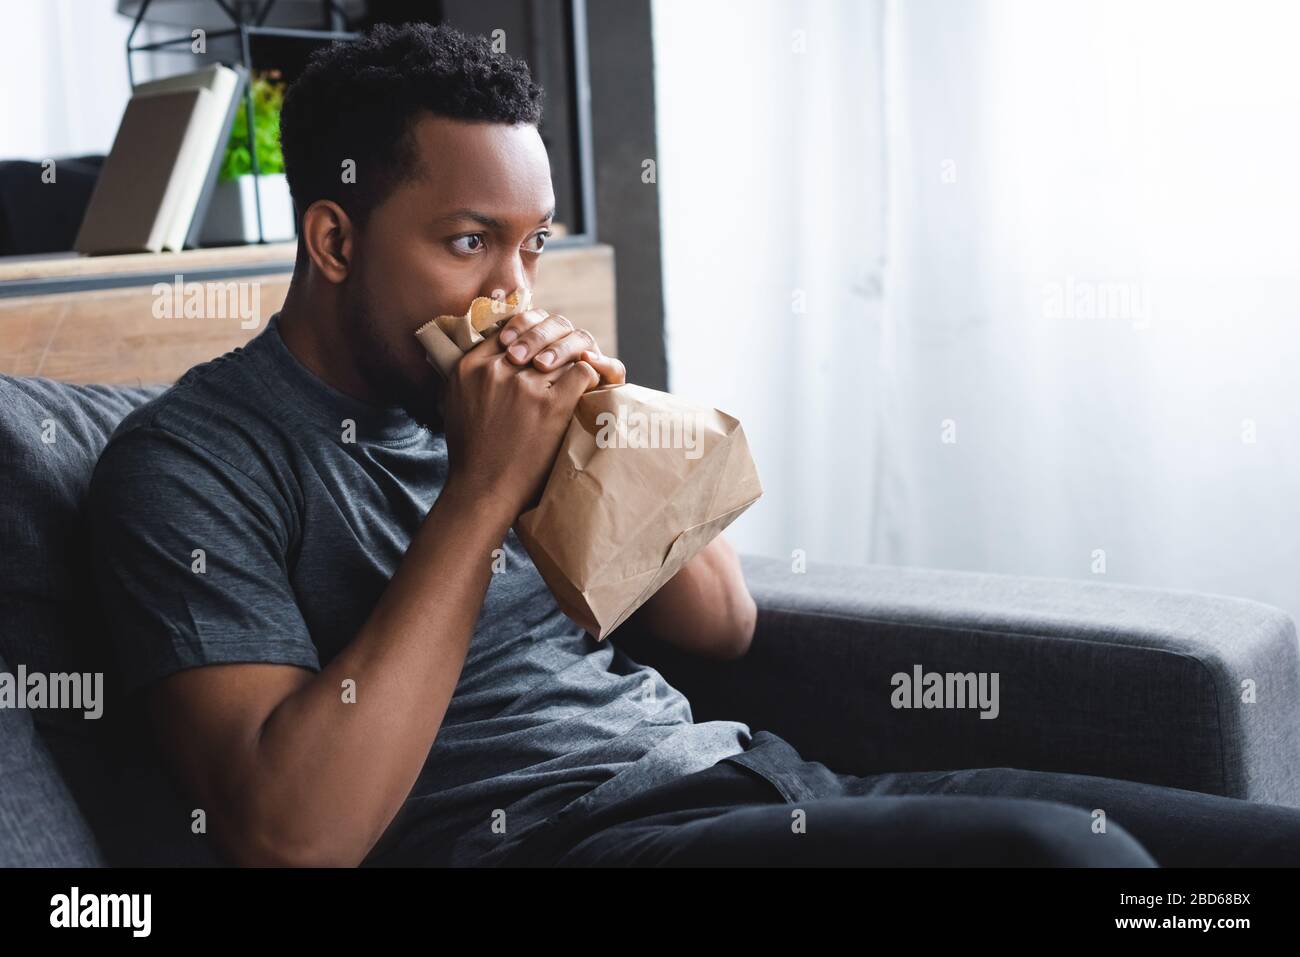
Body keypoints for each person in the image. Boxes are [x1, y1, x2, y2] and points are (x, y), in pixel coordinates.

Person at [87, 22, 1300, 868]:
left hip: (754, 783)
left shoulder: (489, 398)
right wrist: (483, 492)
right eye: (469, 244)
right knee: (1037, 860)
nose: (513, 293)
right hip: (573, 847)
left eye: (534, 246)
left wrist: (612, 444)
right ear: (336, 242)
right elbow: (294, 836)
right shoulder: (192, 469)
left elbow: (722, 625)